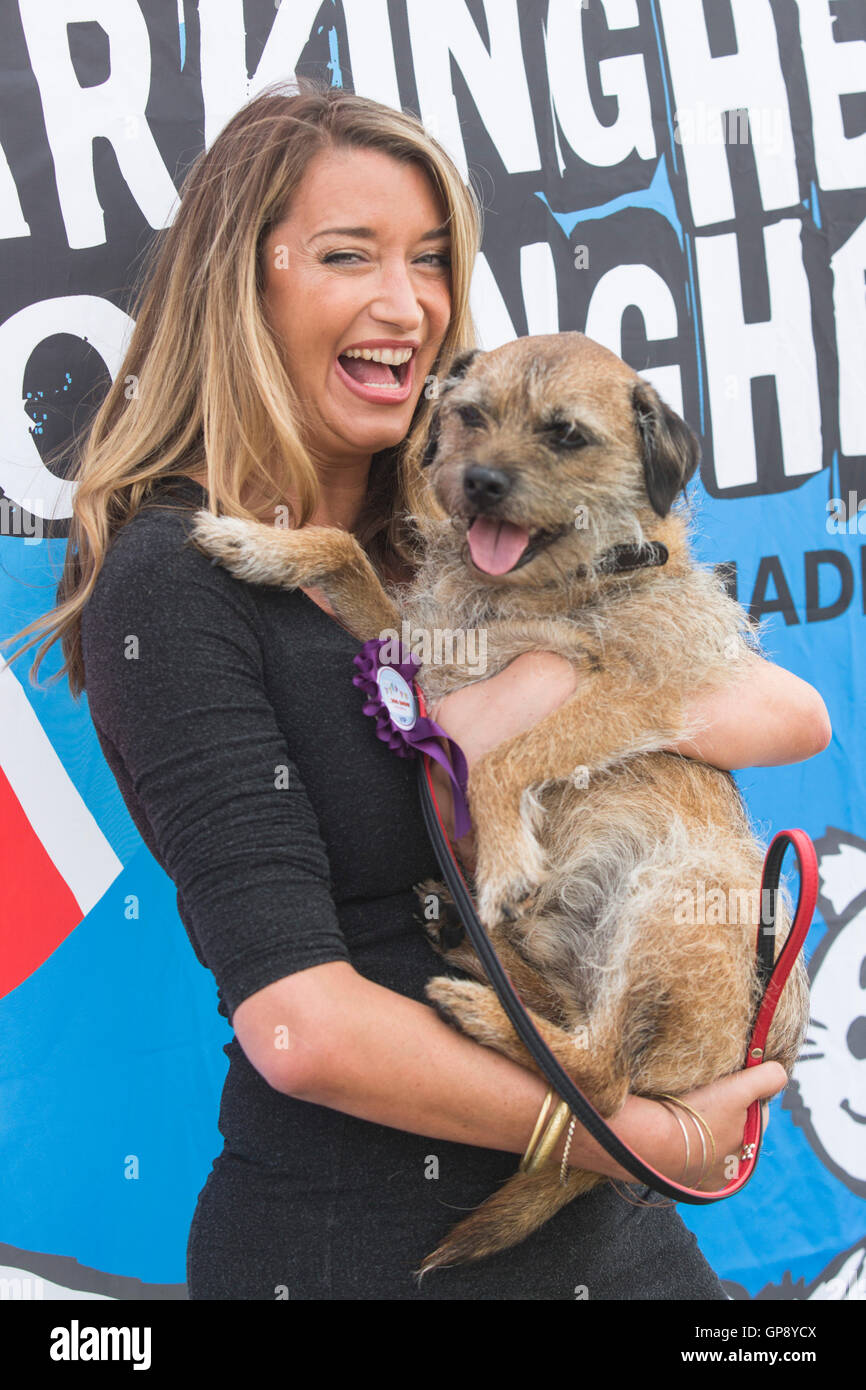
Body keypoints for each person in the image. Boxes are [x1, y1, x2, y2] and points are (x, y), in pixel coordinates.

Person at [7, 79, 830, 1301]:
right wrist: (623, 1135)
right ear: (248, 284)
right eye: (349, 255)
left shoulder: (469, 529)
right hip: (365, 1242)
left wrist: (534, 689)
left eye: (433, 259)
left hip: (607, 1239)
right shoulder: (175, 584)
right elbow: (301, 1026)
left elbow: (780, 711)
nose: (406, 302)